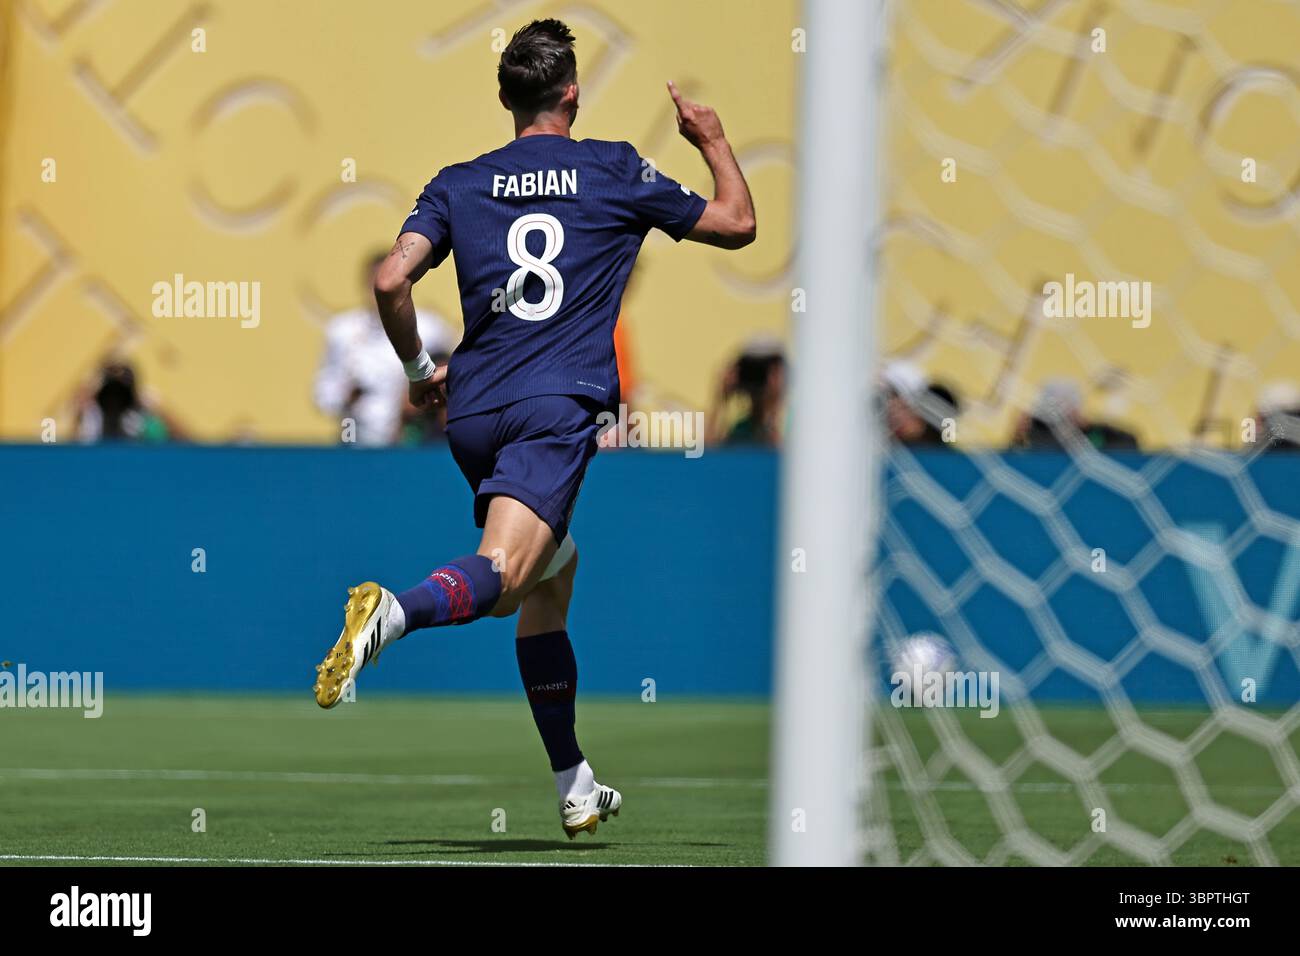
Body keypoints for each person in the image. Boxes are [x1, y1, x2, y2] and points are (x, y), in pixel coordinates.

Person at [310, 19, 755, 839]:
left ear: (505, 98)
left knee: (551, 577)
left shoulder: (459, 181)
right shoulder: (615, 168)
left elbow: (389, 278)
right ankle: (390, 614)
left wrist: (417, 374)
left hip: (473, 411)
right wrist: (713, 139)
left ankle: (574, 782)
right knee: (506, 577)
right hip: (556, 405)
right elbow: (736, 222)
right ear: (573, 94)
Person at [313, 251, 456, 445]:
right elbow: (322, 393)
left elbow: (453, 382)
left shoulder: (431, 328)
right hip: (357, 443)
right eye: (377, 283)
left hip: (415, 445)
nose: (384, 292)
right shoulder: (342, 330)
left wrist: (420, 400)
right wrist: (345, 395)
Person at [1011, 378, 1139, 451]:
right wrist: (1017, 435)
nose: (1063, 414)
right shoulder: (1039, 433)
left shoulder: (1095, 433)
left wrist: (1089, 426)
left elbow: (1131, 443)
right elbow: (1017, 460)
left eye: (1068, 405)